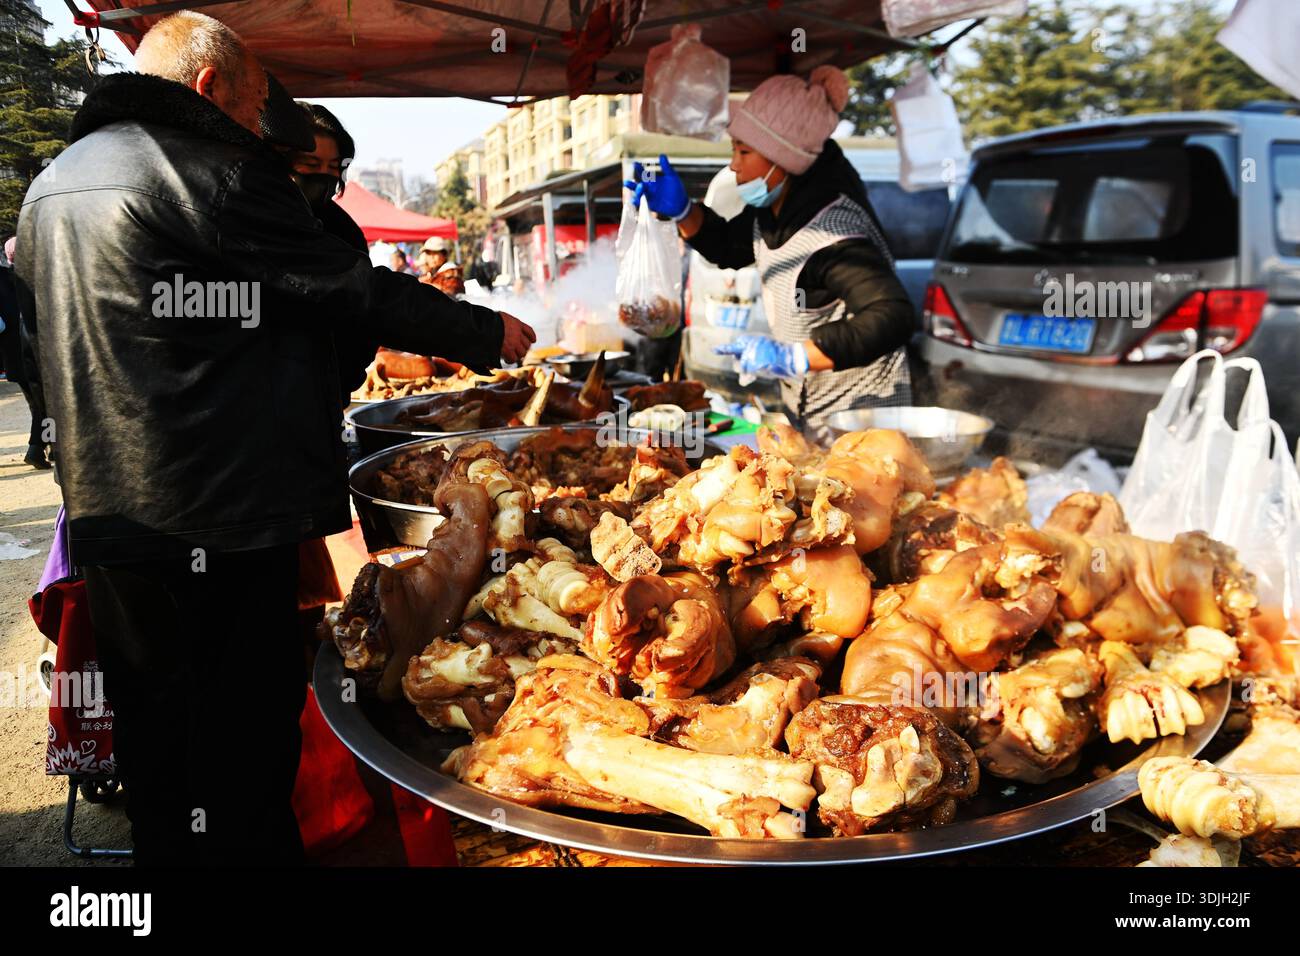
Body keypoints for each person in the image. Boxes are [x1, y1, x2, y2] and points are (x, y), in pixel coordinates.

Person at [12, 11, 533, 866]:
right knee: (243, 753)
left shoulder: (52, 185)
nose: (261, 128)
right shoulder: (209, 172)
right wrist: (483, 331)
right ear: (209, 87)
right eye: (256, 107)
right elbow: (349, 290)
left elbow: (55, 348)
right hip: (217, 513)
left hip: (106, 511)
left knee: (158, 742)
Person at [628, 65, 914, 434]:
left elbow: (893, 315)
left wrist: (794, 356)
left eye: (744, 152)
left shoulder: (833, 232)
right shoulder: (776, 210)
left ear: (786, 157)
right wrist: (684, 210)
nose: (734, 167)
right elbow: (730, 246)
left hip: (864, 418)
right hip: (812, 413)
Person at [0, 237, 49, 469]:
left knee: (37, 405)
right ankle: (38, 449)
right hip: (35, 353)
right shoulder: (32, 278)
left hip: (13, 357)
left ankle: (43, 448)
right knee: (45, 405)